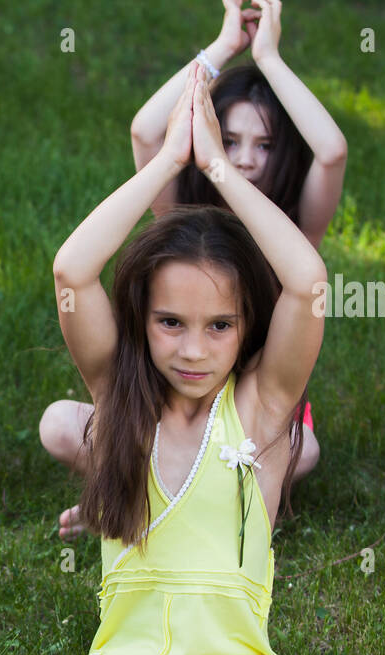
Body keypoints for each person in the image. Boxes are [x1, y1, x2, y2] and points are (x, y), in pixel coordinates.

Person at [0, 67, 363, 655]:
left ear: (247, 328)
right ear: (140, 321)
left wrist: (219, 166)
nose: (194, 348)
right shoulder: (117, 401)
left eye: (219, 326)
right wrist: (167, 163)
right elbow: (71, 268)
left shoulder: (260, 412)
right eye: (171, 323)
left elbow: (308, 282)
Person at [42, 0, 346, 538]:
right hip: (165, 405)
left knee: (304, 446)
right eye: (229, 139)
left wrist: (267, 58)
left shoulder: (291, 233)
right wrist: (222, 47)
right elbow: (144, 132)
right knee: (61, 425)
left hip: (252, 415)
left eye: (264, 145)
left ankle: (182, 497)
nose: (246, 157)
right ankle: (150, 492)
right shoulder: (180, 218)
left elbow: (331, 152)